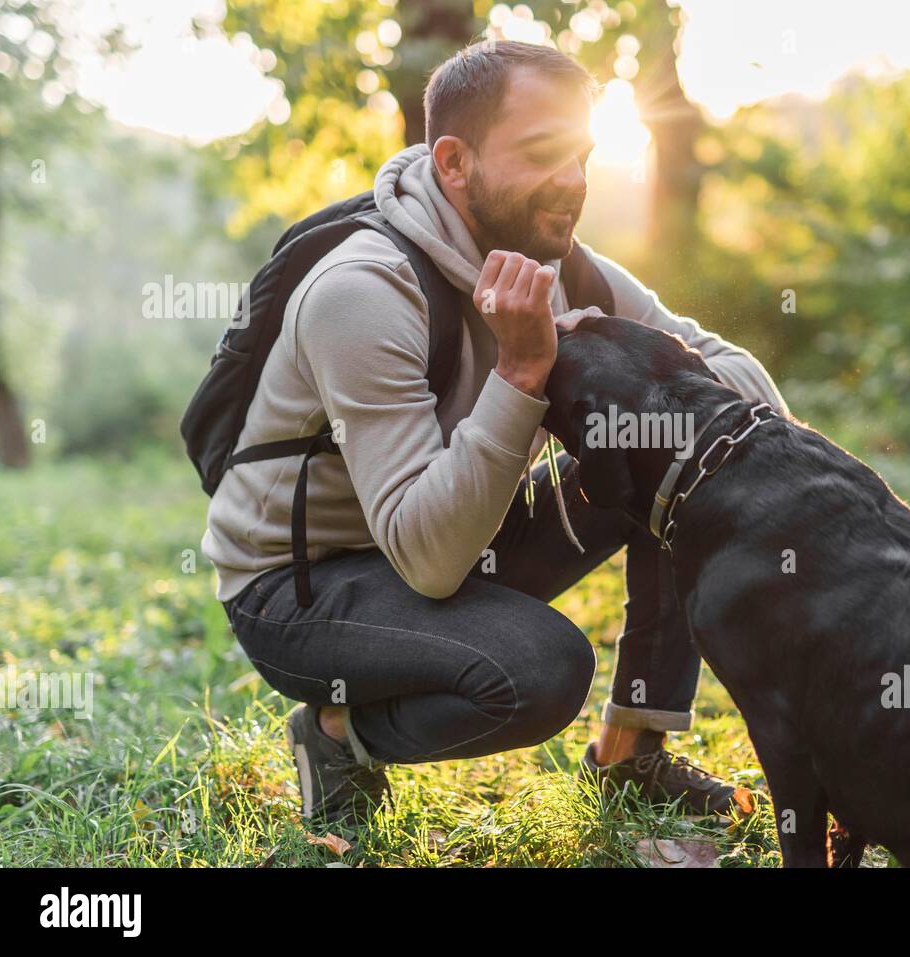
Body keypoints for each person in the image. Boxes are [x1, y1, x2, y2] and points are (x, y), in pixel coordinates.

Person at [205, 39, 788, 828]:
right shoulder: (362, 292)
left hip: (449, 530)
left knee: (677, 445)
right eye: (544, 155)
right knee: (542, 668)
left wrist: (662, 378)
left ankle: (631, 755)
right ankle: (336, 730)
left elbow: (729, 371)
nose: (573, 183)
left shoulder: (557, 262)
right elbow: (429, 557)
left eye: (582, 156)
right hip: (304, 585)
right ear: (453, 162)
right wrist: (522, 374)